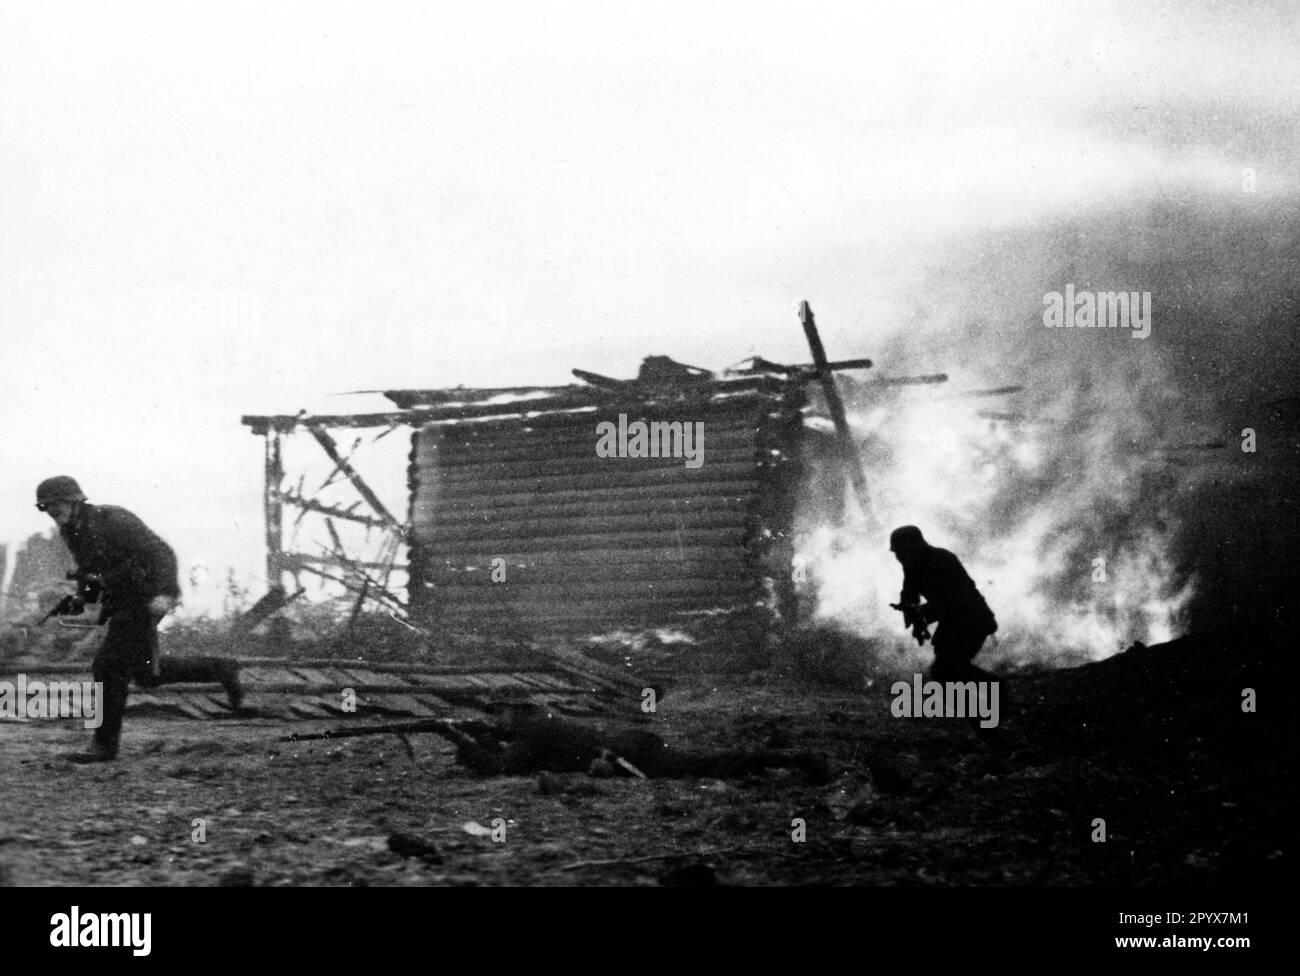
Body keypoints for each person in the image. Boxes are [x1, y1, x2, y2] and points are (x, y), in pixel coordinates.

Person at [35, 476, 243, 763]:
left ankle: (104, 746)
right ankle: (220, 668)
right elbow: (90, 568)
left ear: (74, 501)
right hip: (122, 600)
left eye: (54, 507)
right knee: (146, 674)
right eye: (44, 508)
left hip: (145, 598)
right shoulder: (71, 530)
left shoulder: (113, 520)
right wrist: (83, 597)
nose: (50, 513)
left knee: (107, 667)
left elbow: (161, 552)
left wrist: (166, 593)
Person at [889, 525, 997, 683]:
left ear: (914, 548)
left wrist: (922, 613)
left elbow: (956, 600)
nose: (898, 557)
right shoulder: (913, 565)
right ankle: (986, 697)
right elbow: (909, 594)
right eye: (897, 553)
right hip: (955, 623)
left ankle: (996, 691)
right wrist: (911, 613)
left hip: (972, 620)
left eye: (901, 551)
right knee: (945, 671)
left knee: (946, 669)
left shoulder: (942, 560)